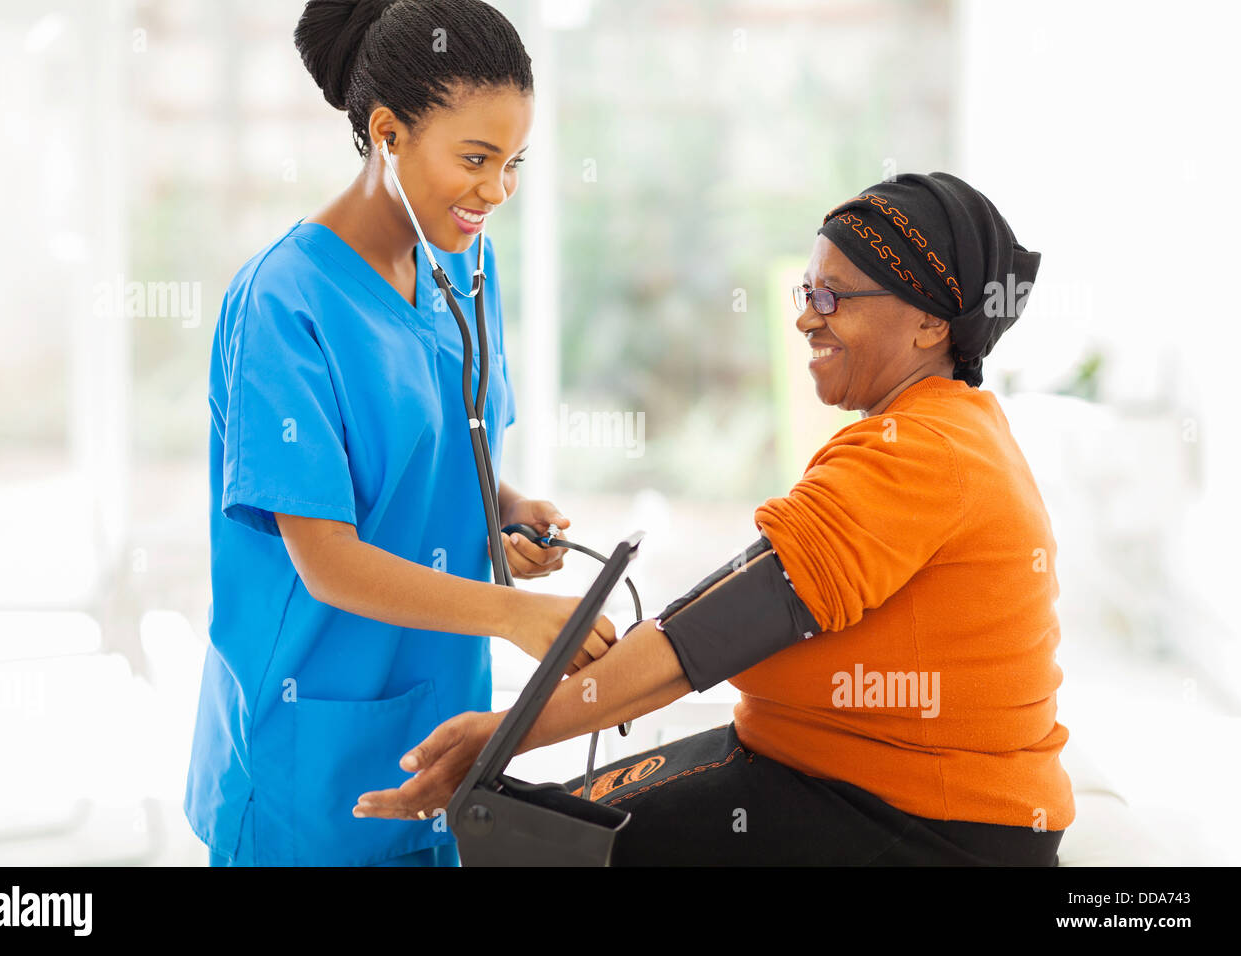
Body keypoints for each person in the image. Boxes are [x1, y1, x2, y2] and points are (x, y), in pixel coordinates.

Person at [354, 172, 1076, 866]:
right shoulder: (940, 430)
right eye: (807, 288)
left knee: (529, 838)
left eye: (834, 296)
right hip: (848, 776)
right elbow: (726, 602)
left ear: (927, 321)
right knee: (542, 816)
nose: (804, 315)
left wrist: (504, 738)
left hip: (912, 821)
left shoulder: (920, 453)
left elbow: (705, 638)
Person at [184, 0, 616, 868]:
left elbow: (448, 452)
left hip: (440, 727)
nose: (497, 192)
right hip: (307, 754)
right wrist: (516, 615)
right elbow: (328, 558)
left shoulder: (457, 265)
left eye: (514, 162)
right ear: (387, 132)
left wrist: (505, 510)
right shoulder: (284, 301)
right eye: (475, 159)